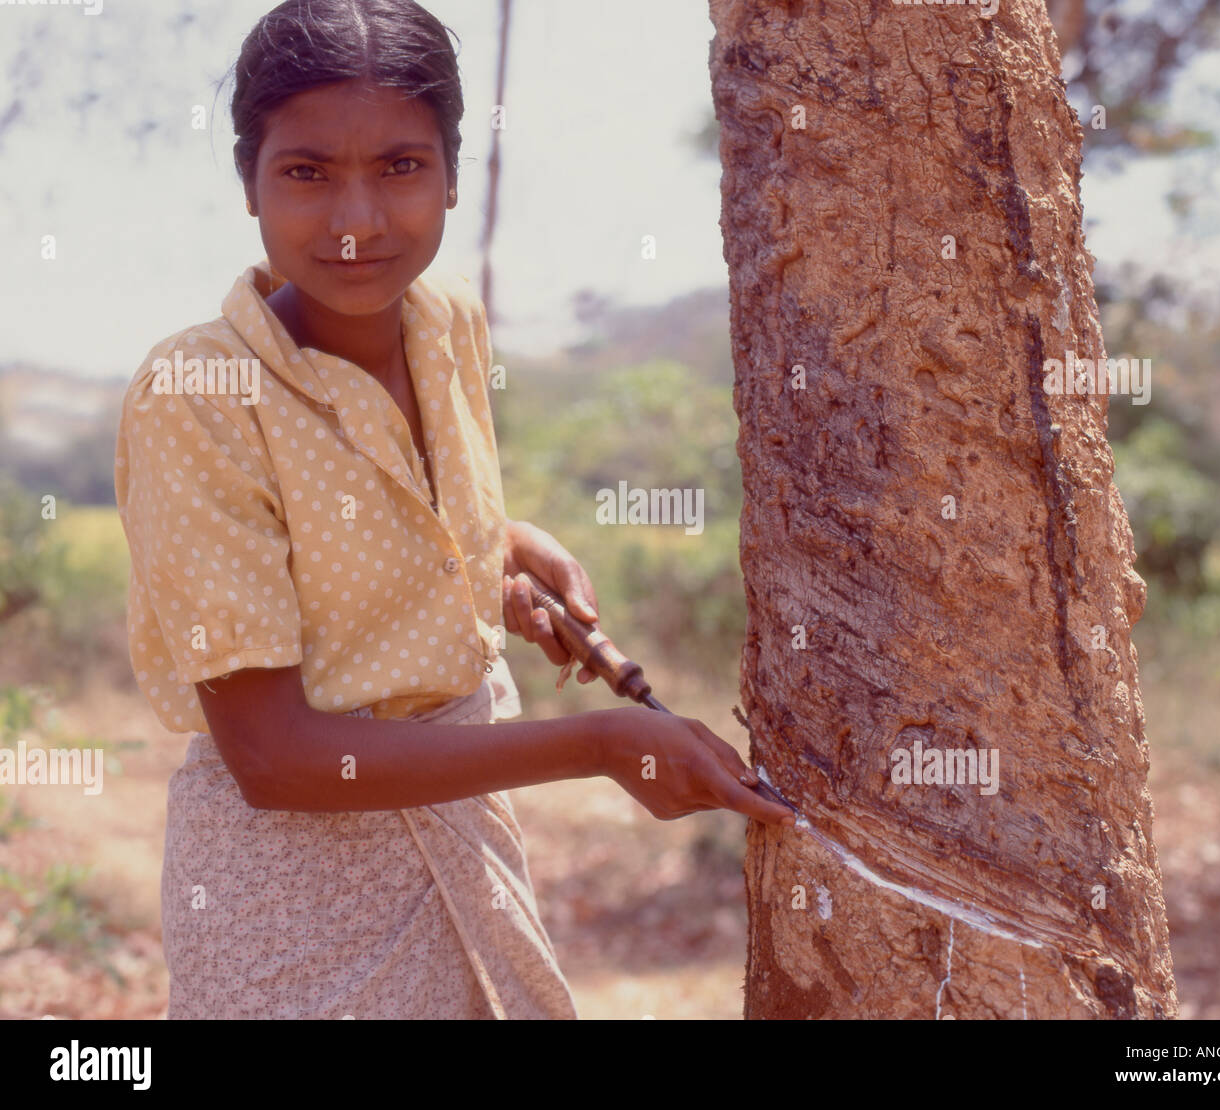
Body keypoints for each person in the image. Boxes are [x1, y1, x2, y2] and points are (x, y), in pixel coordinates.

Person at [112, 0, 794, 1020]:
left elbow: (397, 512)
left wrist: (502, 548)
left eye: (399, 166)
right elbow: (272, 754)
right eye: (306, 172)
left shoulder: (446, 327)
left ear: (452, 174)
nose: (356, 221)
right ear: (249, 182)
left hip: (462, 850)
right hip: (292, 905)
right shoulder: (198, 396)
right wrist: (598, 745)